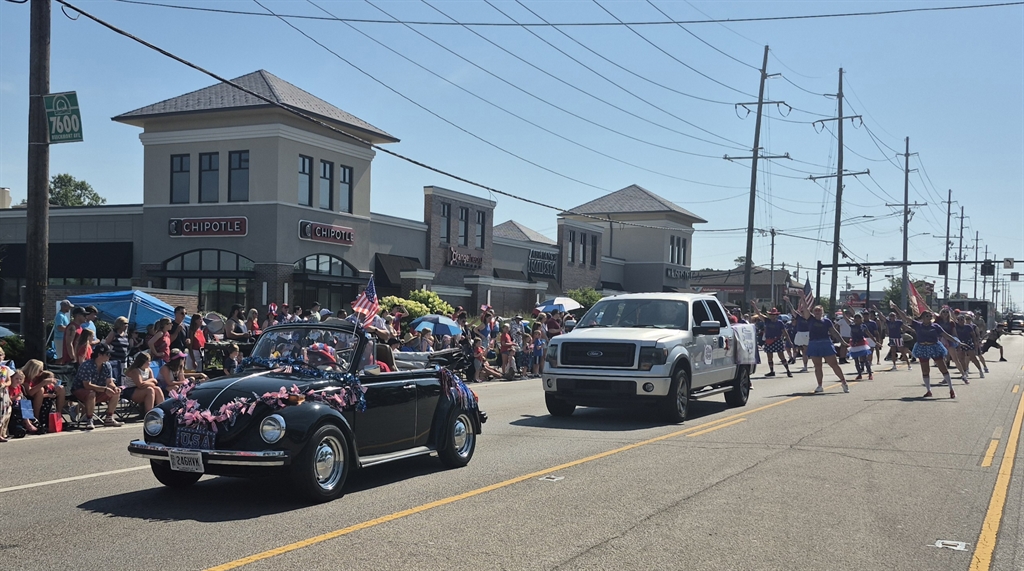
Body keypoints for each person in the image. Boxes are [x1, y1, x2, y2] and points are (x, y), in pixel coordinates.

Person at [891, 302, 959, 399]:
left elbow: (946, 335)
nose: (929, 317)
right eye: (927, 316)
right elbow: (905, 317)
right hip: (922, 347)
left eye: (930, 316)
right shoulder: (917, 325)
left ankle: (951, 389)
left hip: (934, 347)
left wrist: (957, 342)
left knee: (943, 368)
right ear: (922, 317)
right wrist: (896, 307)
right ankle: (928, 390)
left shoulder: (935, 326)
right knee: (925, 370)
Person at [799, 300, 849, 393]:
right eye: (816, 310)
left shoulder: (827, 321)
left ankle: (844, 382)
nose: (817, 312)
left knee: (834, 364)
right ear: (813, 312)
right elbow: (805, 308)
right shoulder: (810, 319)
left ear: (822, 312)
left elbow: (834, 332)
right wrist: (802, 297)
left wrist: (842, 342)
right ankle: (819, 385)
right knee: (818, 366)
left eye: (819, 310)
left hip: (826, 343)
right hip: (814, 343)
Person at [71, 342, 123, 429]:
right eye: (107, 354)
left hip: (98, 390)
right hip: (80, 390)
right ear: (99, 354)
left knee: (116, 392)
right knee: (91, 393)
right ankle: (89, 419)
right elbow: (87, 385)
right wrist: (105, 389)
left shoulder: (107, 365)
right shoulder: (86, 365)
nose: (109, 356)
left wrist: (114, 387)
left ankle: (109, 418)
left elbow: (109, 382)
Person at [752, 306, 792, 378]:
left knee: (781, 356)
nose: (772, 316)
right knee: (769, 357)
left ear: (777, 315)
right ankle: (772, 371)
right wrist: (754, 306)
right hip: (769, 340)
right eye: (771, 315)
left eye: (774, 315)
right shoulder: (767, 320)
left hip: (777, 340)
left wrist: (789, 341)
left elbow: (785, 332)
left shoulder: (780, 323)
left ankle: (788, 370)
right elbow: (759, 314)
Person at [844, 313, 874, 381]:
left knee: (865, 359)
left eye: (858, 318)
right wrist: (843, 311)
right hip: (854, 344)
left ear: (861, 319)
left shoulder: (863, 326)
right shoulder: (852, 325)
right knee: (856, 360)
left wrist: (875, 341)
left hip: (861, 343)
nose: (856, 319)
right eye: (855, 318)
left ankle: (870, 374)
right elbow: (846, 319)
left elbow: (869, 334)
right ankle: (859, 374)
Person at [955, 314, 985, 380]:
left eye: (962, 319)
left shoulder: (968, 327)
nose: (960, 321)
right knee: (961, 358)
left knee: (973, 357)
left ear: (964, 320)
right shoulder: (956, 326)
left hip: (968, 342)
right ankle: (965, 371)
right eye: (959, 320)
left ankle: (980, 370)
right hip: (960, 343)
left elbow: (973, 335)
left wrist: (975, 343)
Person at [104, 316, 131, 384]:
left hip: (123, 360)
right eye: (125, 323)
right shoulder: (113, 333)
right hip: (114, 360)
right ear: (120, 324)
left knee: (123, 377)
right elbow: (106, 344)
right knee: (114, 376)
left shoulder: (125, 334)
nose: (127, 325)